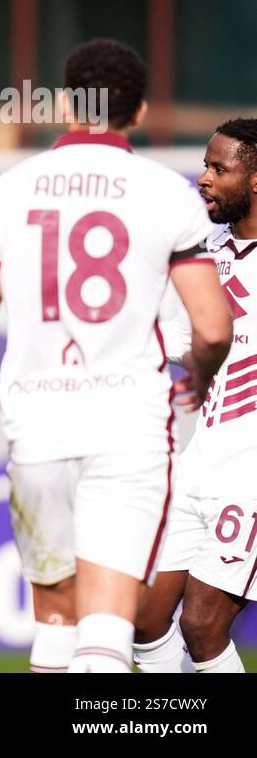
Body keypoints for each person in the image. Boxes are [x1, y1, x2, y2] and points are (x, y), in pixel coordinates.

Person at [0, 38, 233, 673]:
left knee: (56, 621)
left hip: (37, 431)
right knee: (106, 624)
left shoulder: (8, 191)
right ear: (141, 111)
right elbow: (211, 327)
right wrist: (203, 381)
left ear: (66, 102)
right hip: (128, 430)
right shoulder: (165, 193)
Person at [133, 118, 257, 674]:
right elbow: (182, 336)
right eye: (205, 165)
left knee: (202, 624)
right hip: (202, 460)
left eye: (218, 168)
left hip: (250, 471)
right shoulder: (207, 252)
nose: (202, 178)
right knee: (143, 618)